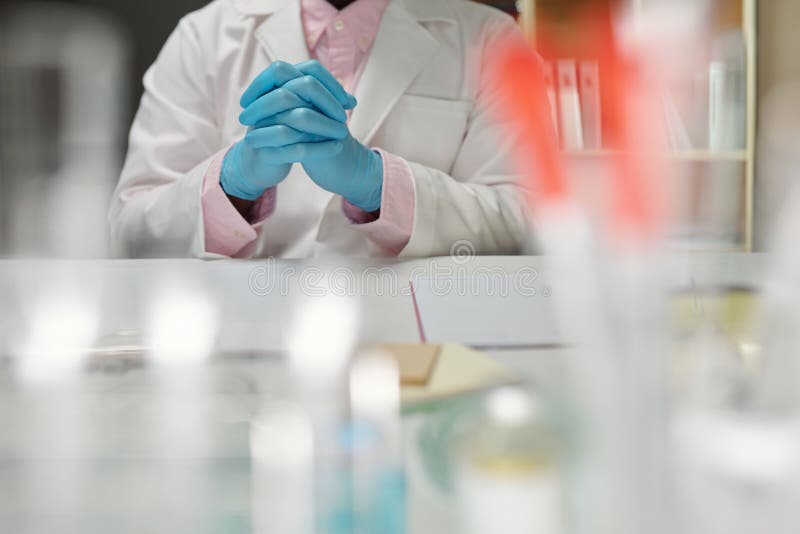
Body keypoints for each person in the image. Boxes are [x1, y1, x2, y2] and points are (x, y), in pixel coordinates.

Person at [109, 0, 530, 259]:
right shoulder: (203, 37)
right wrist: (231, 185)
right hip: (240, 339)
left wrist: (378, 183)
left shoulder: (491, 40)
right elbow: (132, 235)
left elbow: (521, 223)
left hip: (422, 345)